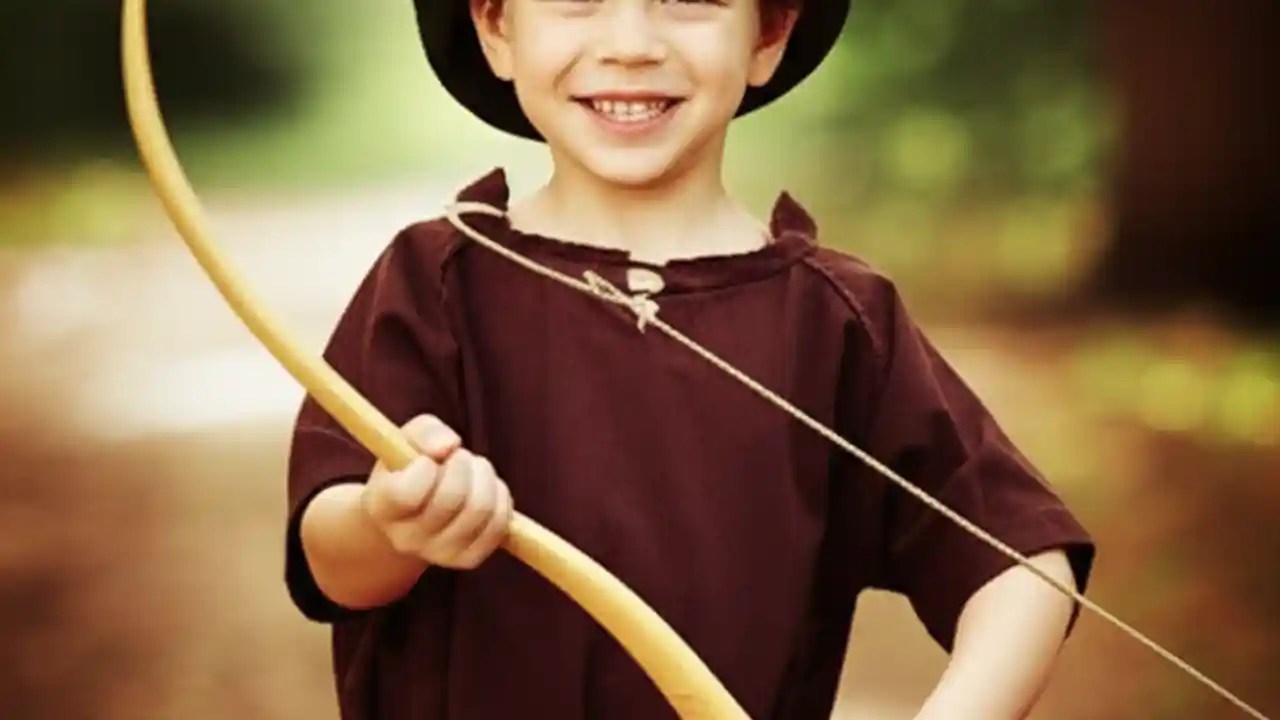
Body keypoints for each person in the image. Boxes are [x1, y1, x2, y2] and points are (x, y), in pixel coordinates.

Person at [284, 0, 1097, 717]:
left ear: (770, 32)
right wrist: (392, 523)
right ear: (497, 26)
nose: (631, 42)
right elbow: (333, 562)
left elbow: (1024, 558)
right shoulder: (435, 282)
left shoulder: (837, 318)